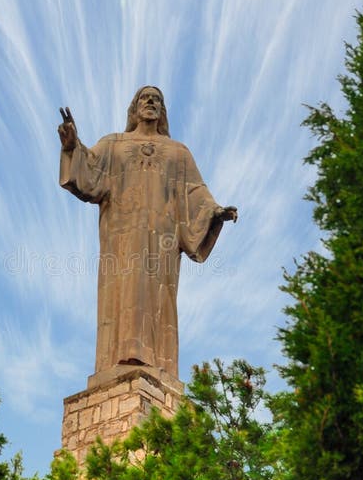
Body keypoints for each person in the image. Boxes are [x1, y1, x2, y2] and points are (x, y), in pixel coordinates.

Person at [58, 86, 237, 378]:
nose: (151, 101)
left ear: (163, 110)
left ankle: (160, 366)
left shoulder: (178, 153)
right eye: (145, 97)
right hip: (121, 238)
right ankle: (117, 361)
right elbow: (88, 172)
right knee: (122, 294)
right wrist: (70, 146)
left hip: (162, 242)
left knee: (159, 300)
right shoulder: (114, 144)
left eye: (157, 99)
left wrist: (214, 211)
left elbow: (195, 192)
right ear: (134, 107)